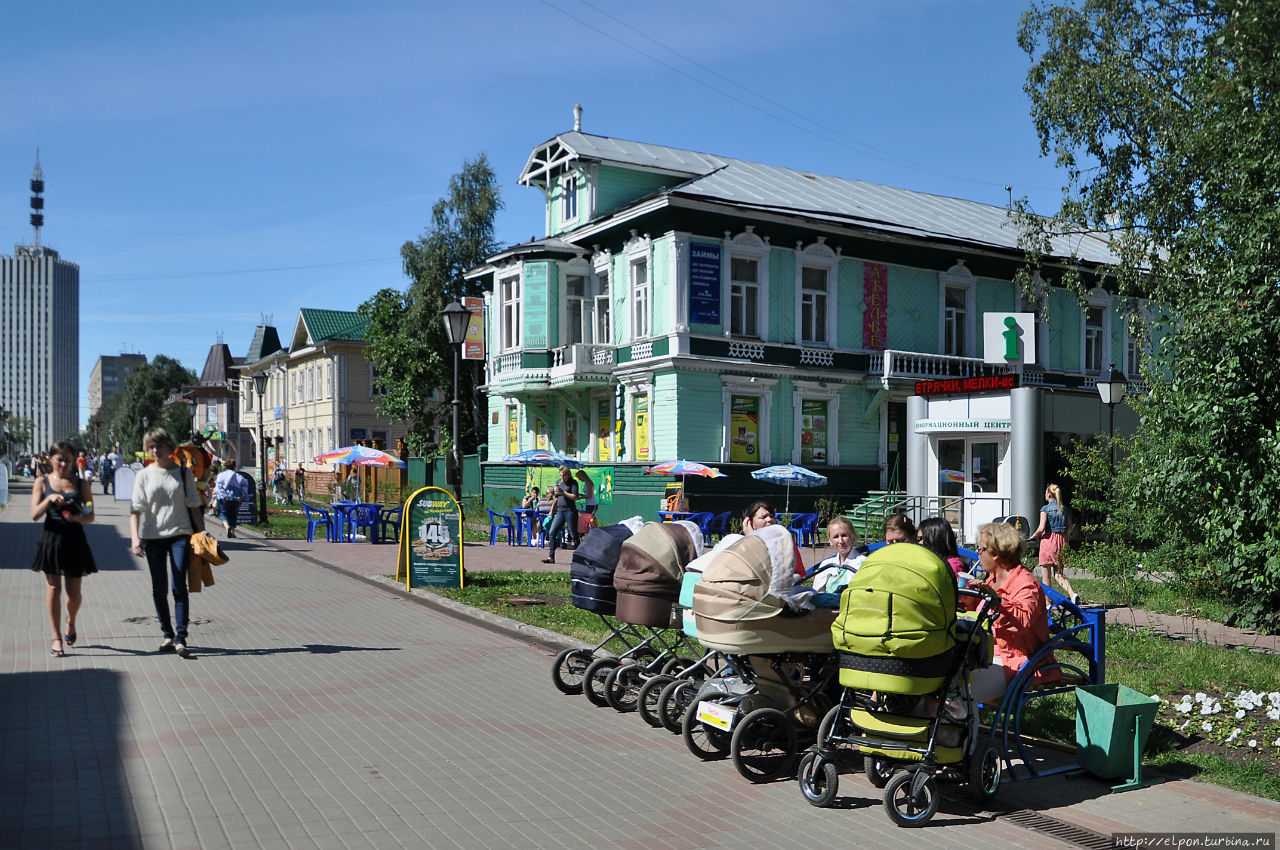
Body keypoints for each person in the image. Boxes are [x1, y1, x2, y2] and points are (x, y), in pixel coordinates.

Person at [130, 427, 204, 658]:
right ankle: (167, 634)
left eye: (159, 446)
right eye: (151, 447)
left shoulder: (183, 473)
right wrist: (135, 538)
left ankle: (181, 637)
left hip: (180, 535)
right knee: (159, 588)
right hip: (153, 537)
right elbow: (135, 510)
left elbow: (194, 505)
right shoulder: (143, 475)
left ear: (169, 448)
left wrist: (202, 534)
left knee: (178, 584)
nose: (154, 450)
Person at [965, 521, 1058, 704]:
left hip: (1014, 663)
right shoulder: (992, 580)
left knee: (961, 691)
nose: (977, 552)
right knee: (945, 681)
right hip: (984, 658)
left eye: (981, 548)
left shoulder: (1025, 583)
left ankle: (961, 731)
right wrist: (968, 601)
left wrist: (997, 600)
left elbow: (1022, 622)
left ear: (996, 554)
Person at [29, 440, 98, 657]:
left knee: (74, 594)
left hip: (75, 541)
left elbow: (91, 515)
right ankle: (56, 637)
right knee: (53, 589)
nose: (63, 464)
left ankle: (71, 621)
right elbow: (34, 514)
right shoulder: (42, 482)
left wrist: (77, 516)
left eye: (68, 460)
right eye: (60, 460)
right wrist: (49, 498)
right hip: (51, 540)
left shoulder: (81, 484)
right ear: (51, 459)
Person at [1030, 483, 1078, 604]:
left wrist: (1034, 536)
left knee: (1046, 578)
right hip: (1061, 541)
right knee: (1058, 575)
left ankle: (1047, 604)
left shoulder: (1045, 509)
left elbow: (1041, 529)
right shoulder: (1065, 509)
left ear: (1048, 494)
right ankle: (1072, 594)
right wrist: (1065, 540)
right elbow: (1070, 528)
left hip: (1048, 541)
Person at [742, 500, 806, 577]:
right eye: (763, 517)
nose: (769, 519)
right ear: (751, 523)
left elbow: (799, 572)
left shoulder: (784, 540)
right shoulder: (740, 544)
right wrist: (750, 538)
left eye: (771, 516)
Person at [811, 515, 868, 594]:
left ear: (853, 537)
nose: (840, 541)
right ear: (830, 541)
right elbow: (817, 593)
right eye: (836, 537)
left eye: (844, 535)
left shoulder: (863, 563)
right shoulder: (826, 565)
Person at [540, 466, 580, 564]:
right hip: (560, 511)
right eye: (561, 475)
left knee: (573, 534)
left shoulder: (573, 483)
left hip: (570, 511)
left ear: (568, 475)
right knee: (552, 532)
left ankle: (580, 559)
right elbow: (556, 498)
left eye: (564, 476)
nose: (562, 478)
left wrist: (564, 492)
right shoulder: (558, 482)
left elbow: (574, 497)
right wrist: (552, 510)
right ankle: (551, 557)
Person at [213, 459, 251, 538]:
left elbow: (218, 487)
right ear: (234, 466)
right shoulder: (239, 476)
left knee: (223, 513)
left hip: (224, 498)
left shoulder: (221, 475)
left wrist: (223, 495)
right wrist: (242, 495)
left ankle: (227, 527)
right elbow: (244, 486)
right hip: (236, 498)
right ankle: (233, 532)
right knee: (234, 514)